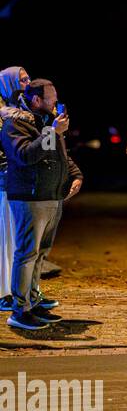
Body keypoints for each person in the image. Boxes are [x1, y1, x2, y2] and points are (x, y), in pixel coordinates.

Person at [1, 79, 83, 330]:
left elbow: (60, 154)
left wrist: (76, 174)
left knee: (40, 254)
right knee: (26, 254)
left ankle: (33, 302)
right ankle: (19, 310)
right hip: (31, 196)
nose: (56, 102)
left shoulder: (48, 122)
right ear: (37, 100)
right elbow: (25, 156)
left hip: (52, 195)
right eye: (52, 98)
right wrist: (52, 132)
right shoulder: (16, 123)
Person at [0, 66, 30, 313]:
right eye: (22, 79)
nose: (27, 82)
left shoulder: (24, 107)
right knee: (5, 239)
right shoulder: (4, 112)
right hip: (4, 179)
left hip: (22, 180)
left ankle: (20, 290)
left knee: (19, 238)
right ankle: (4, 293)